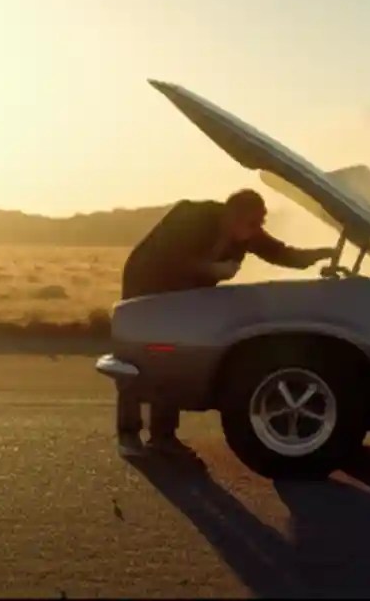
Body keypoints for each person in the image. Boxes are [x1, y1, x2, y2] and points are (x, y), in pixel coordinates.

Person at [116, 189, 336, 458]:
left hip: (183, 293)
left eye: (261, 223)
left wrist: (321, 254)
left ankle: (162, 436)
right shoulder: (190, 215)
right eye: (253, 223)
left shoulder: (247, 232)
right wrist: (210, 269)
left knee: (172, 354)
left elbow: (282, 254)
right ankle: (128, 433)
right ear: (232, 214)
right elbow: (167, 258)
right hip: (145, 283)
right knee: (136, 355)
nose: (257, 229)